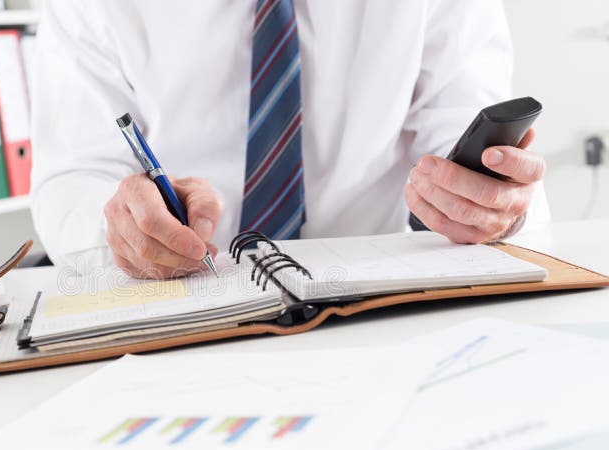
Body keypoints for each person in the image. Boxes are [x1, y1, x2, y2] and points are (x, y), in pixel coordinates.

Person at [30, 0, 549, 279]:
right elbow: (72, 176)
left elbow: (466, 140)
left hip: (381, 292)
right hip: (186, 299)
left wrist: (490, 203)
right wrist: (120, 229)